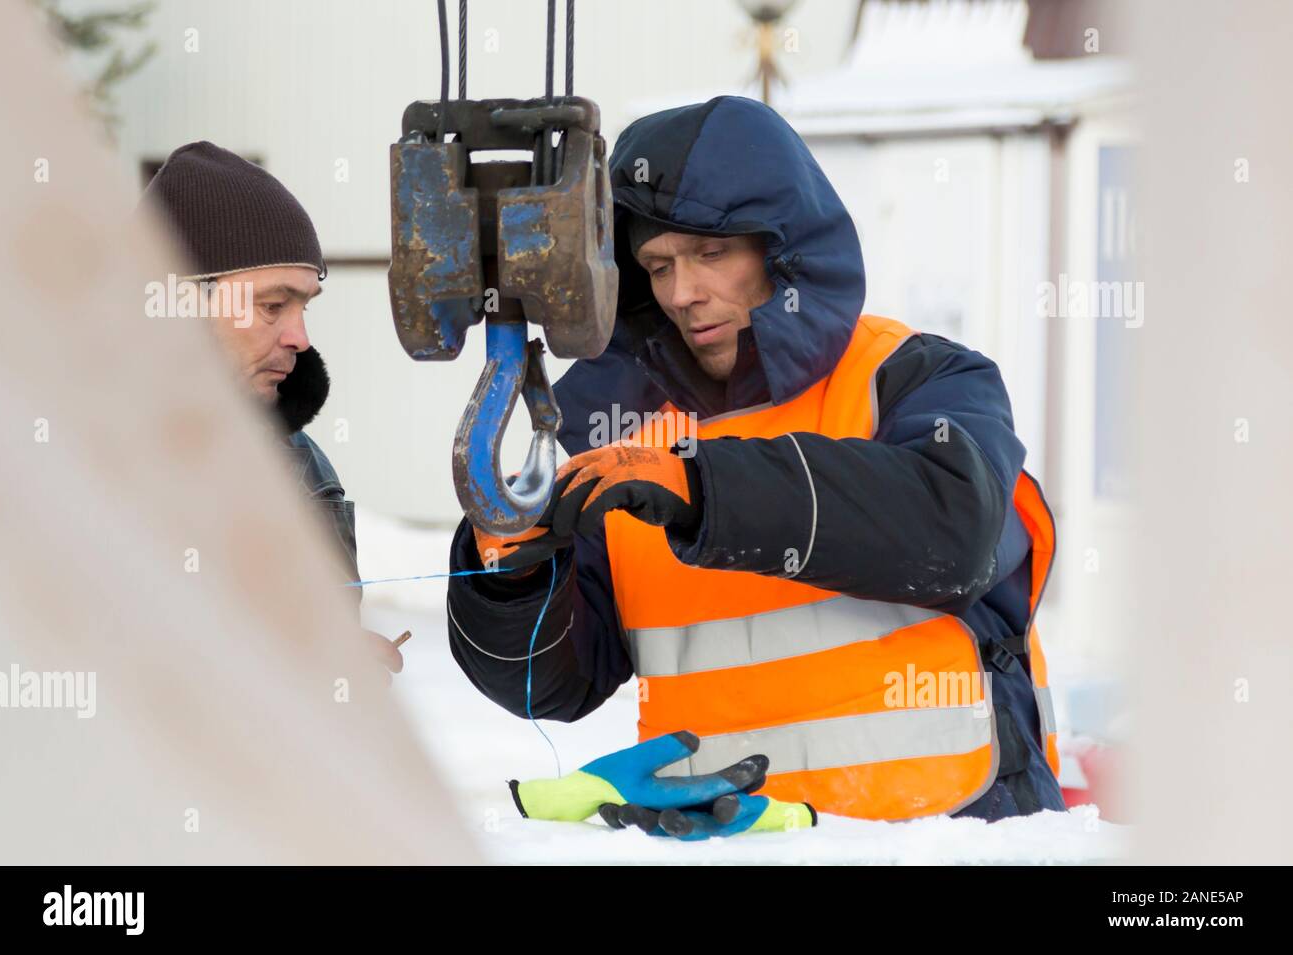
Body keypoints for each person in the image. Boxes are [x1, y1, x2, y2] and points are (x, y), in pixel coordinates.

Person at [446, 97, 1063, 821]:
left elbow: (952, 532)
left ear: (783, 248)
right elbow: (551, 685)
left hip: (952, 836)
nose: (682, 293)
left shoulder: (917, 378)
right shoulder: (614, 426)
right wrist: (510, 576)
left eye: (711, 254)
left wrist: (706, 492)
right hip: (731, 840)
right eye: (658, 264)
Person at [141, 142, 402, 678]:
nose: (300, 338)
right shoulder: (60, 456)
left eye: (305, 306)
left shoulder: (301, 467)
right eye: (273, 306)